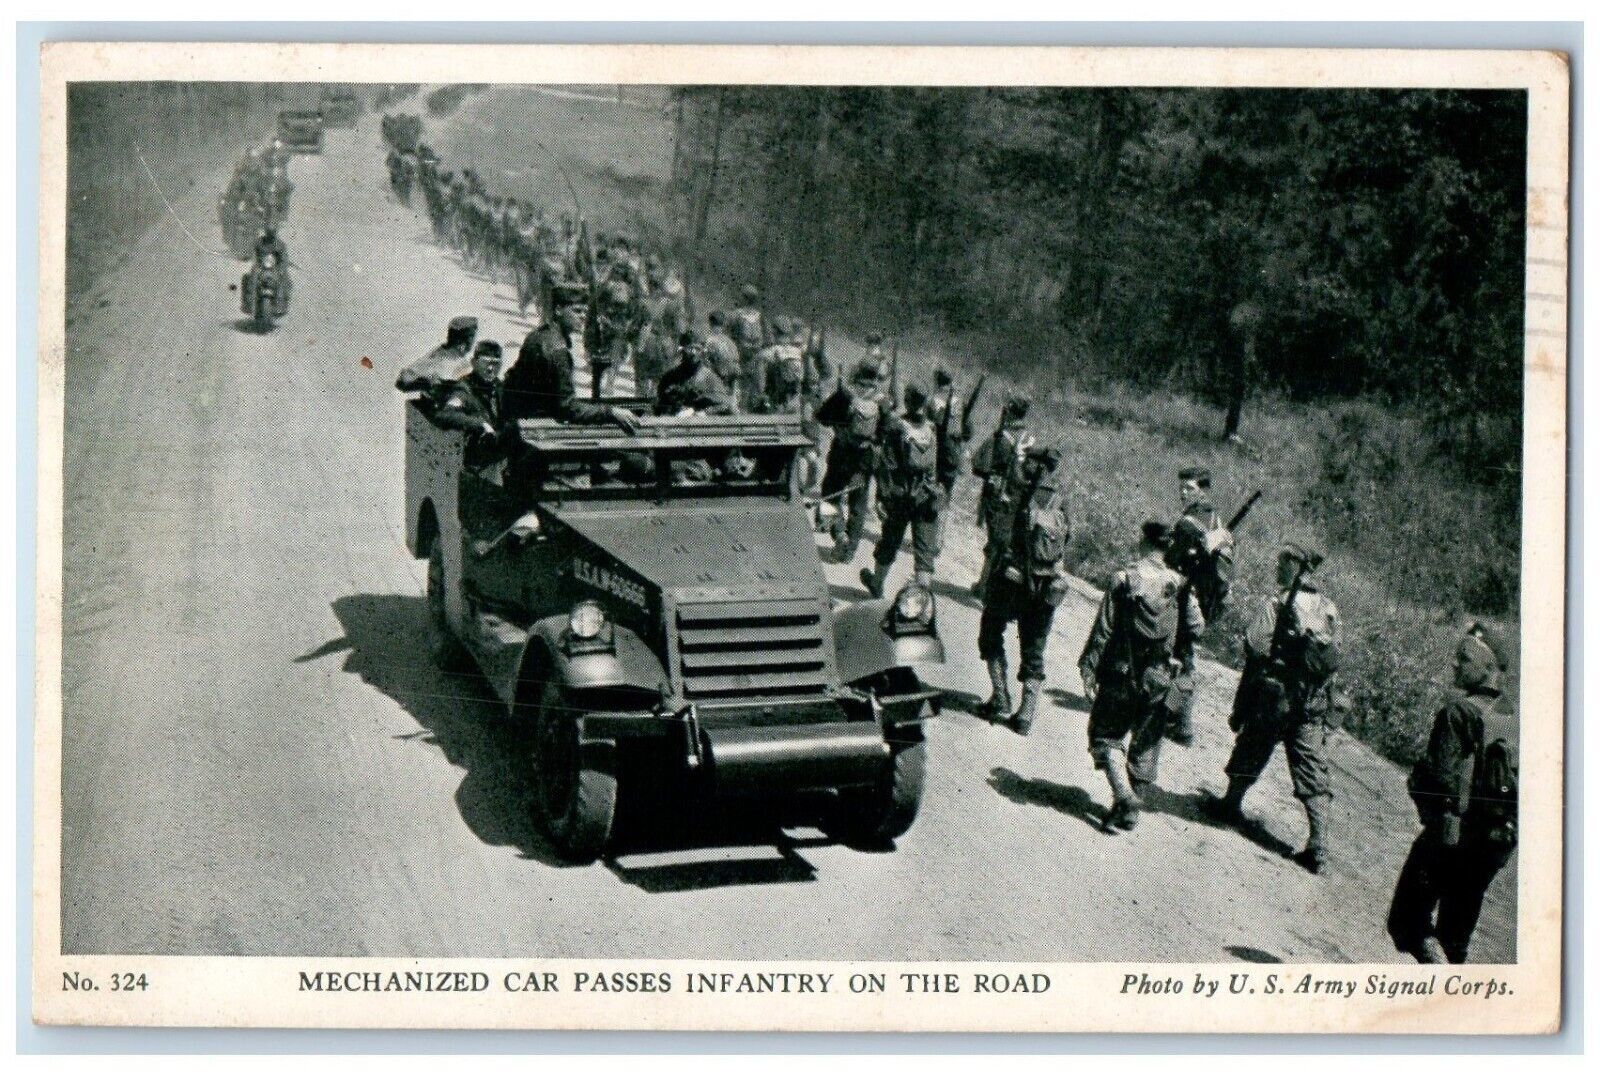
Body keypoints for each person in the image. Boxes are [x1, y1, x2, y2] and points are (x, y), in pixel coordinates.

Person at [1205, 543, 1344, 872]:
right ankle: (1318, 845)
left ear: (1296, 566)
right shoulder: (1329, 609)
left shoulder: (1277, 602)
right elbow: (1334, 656)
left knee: (1252, 746)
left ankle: (1230, 804)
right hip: (1310, 703)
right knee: (1310, 769)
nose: (1277, 568)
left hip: (1275, 698)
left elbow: (1255, 644)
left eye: (1283, 563)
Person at [1388, 622, 1517, 964]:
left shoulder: (1456, 713)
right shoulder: (1514, 720)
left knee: (1407, 920)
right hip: (1495, 843)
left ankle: (1441, 979)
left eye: (1463, 659)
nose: (1455, 665)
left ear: (1487, 668)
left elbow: (1437, 781)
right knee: (1456, 938)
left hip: (1451, 837)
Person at [1078, 522, 1204, 830]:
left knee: (1105, 735)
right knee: (1146, 745)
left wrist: (1089, 666)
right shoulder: (1181, 585)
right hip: (1160, 678)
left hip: (1121, 673)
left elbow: (1103, 629)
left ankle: (1123, 795)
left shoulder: (1124, 580)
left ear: (1143, 543)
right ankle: (1130, 812)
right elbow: (1197, 628)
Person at [978, 444, 1072, 735]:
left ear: (1031, 463)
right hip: (1045, 585)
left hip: (1011, 580)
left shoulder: (1019, 494)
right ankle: (1025, 715)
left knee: (991, 632)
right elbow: (1065, 542)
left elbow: (999, 533)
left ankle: (1001, 698)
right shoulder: (1060, 501)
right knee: (1034, 648)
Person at [1164, 465, 1236, 746]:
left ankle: (1180, 724)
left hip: (1188, 600)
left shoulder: (1189, 523)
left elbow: (1172, 559)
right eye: (1181, 487)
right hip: (1206, 602)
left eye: (1189, 488)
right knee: (1183, 657)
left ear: (1203, 490)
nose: (1183, 493)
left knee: (1182, 659)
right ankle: (1179, 722)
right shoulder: (1216, 520)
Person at [503, 283, 639, 432]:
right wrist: (610, 412)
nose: (582, 316)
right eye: (576, 311)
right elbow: (568, 407)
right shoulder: (558, 351)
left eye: (584, 311)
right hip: (534, 428)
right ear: (558, 310)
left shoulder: (538, 335)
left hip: (520, 419)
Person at [860, 381, 945, 598]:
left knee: (890, 542)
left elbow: (887, 465)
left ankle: (877, 584)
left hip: (900, 496)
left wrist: (881, 497)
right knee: (924, 555)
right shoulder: (932, 428)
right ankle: (920, 601)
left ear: (907, 401)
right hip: (926, 496)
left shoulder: (897, 427)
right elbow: (934, 467)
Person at [815, 360, 889, 564]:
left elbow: (821, 417)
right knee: (858, 505)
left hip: (840, 455)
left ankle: (839, 534)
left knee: (830, 495)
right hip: (864, 460)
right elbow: (886, 433)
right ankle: (849, 553)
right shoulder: (883, 401)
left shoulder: (846, 395)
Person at [969, 397, 1034, 595]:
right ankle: (984, 584)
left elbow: (980, 465)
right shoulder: (1028, 437)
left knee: (996, 543)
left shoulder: (1002, 437)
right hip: (1016, 497)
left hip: (998, 495)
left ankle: (985, 586)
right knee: (1001, 541)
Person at [395, 314, 479, 398]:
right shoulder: (439, 360)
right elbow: (403, 381)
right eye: (472, 337)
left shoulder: (460, 358)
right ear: (466, 339)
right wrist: (428, 385)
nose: (473, 342)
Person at [655, 329, 734, 417]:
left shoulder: (710, 378)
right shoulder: (670, 377)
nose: (693, 353)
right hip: (675, 426)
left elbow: (724, 404)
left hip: (702, 426)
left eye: (697, 348)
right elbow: (660, 405)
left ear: (703, 351)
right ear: (681, 350)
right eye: (689, 348)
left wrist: (703, 413)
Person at [730, 284, 770, 408]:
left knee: (741, 385)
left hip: (741, 354)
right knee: (757, 385)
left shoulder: (736, 315)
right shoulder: (760, 316)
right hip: (757, 354)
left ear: (744, 298)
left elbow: (730, 334)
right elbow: (768, 338)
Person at [704, 311, 743, 400]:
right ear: (723, 324)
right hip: (734, 372)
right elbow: (736, 358)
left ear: (710, 323)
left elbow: (706, 360)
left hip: (720, 372)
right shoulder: (729, 341)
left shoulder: (710, 340)